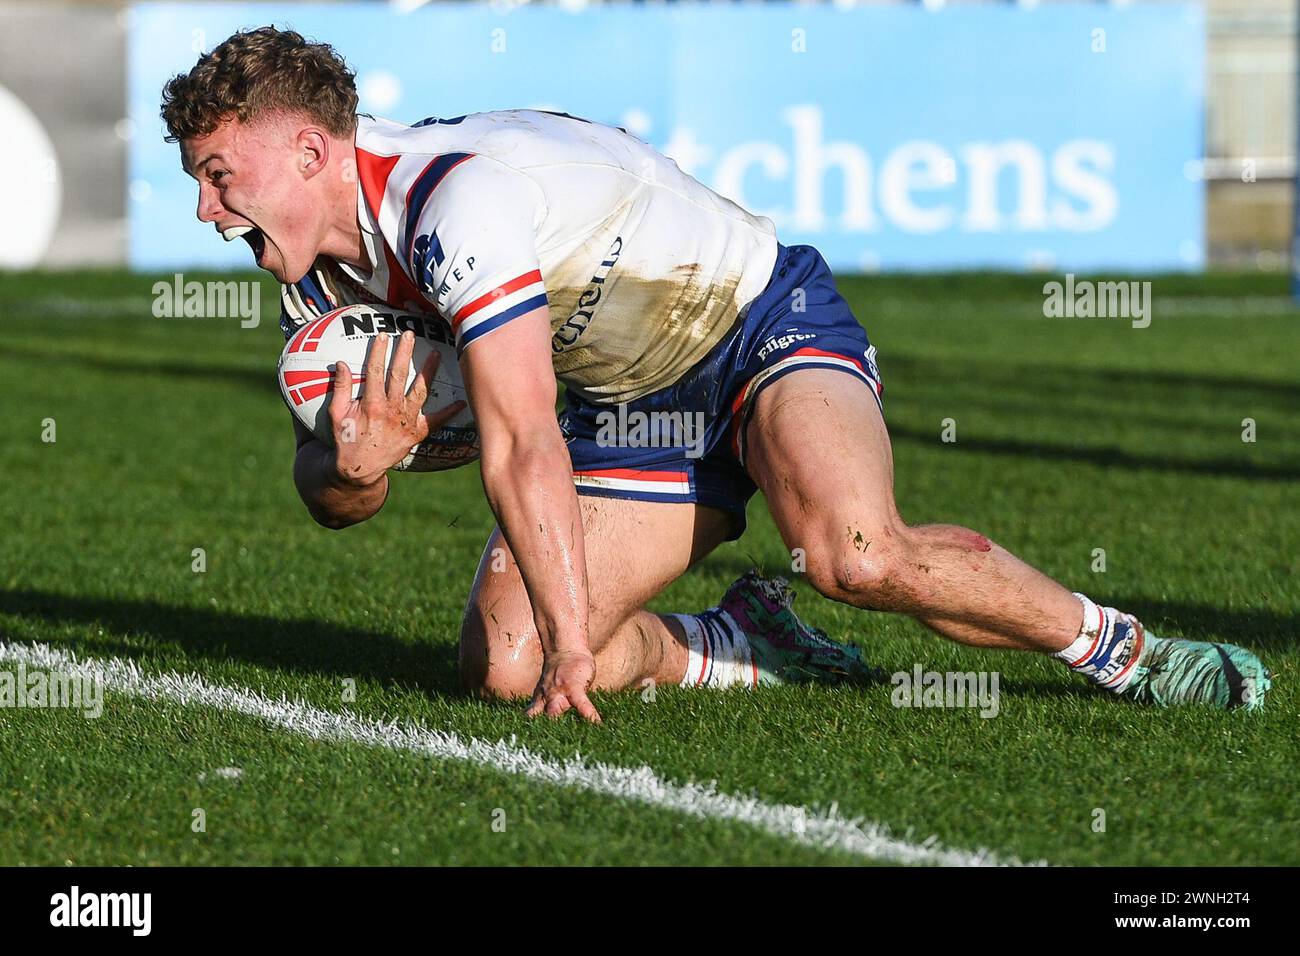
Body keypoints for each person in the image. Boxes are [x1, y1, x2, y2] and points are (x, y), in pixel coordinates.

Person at [160, 27, 1270, 723]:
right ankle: (739, 641)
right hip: (620, 398)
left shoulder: (457, 203)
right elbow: (330, 485)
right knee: (504, 665)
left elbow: (521, 442)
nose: (207, 209)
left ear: (308, 151)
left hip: (751, 326)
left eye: (219, 175)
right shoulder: (319, 279)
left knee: (854, 551)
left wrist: (575, 649)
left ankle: (1125, 649)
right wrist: (361, 471)